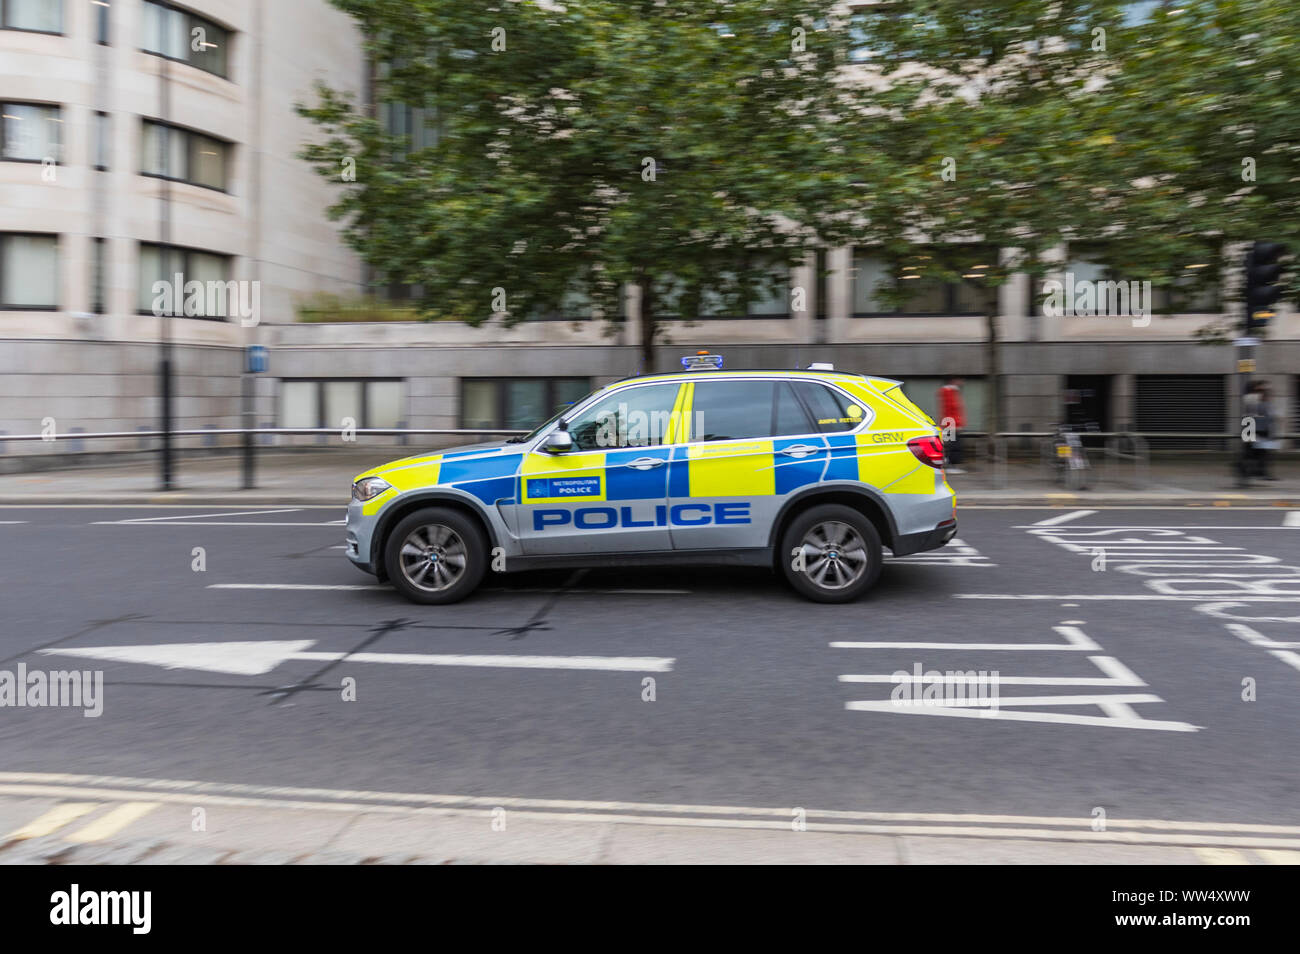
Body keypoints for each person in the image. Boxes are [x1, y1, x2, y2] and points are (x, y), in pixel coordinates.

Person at [937, 377, 967, 474]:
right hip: (952, 424)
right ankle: (951, 466)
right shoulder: (950, 392)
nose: (962, 382)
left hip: (949, 423)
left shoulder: (950, 391)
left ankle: (949, 464)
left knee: (951, 444)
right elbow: (952, 408)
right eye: (960, 380)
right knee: (954, 445)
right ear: (954, 381)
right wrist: (956, 424)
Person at [1254, 381, 1278, 481]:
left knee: (1263, 454)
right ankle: (1264, 474)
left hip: (1263, 432)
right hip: (1264, 433)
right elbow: (1267, 419)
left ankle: (1262, 473)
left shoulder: (1263, 405)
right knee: (1264, 455)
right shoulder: (1264, 405)